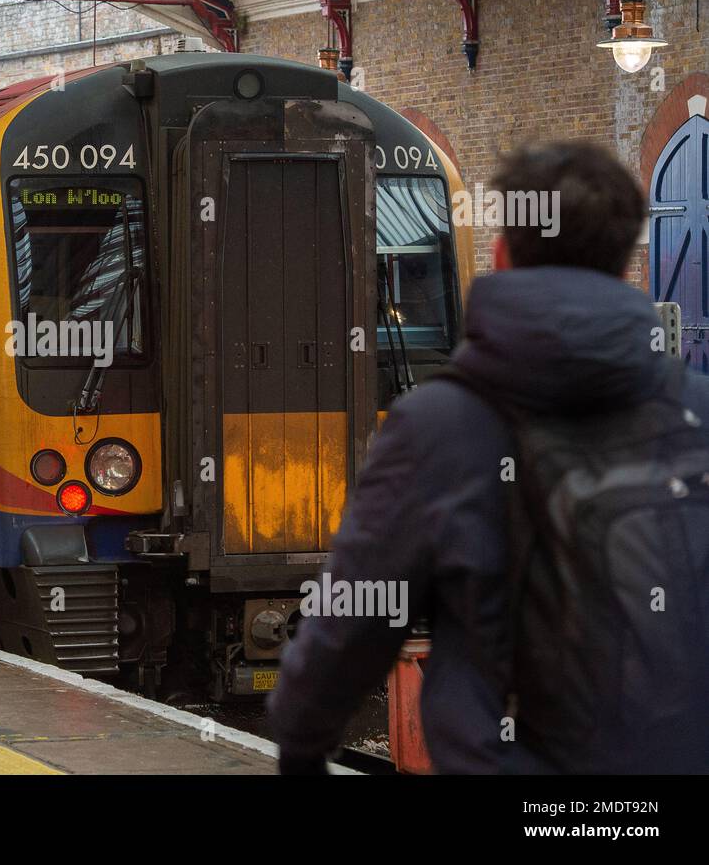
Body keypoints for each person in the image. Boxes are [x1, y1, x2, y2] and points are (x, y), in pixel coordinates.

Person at [268, 141, 709, 774]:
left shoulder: (443, 425)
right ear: (623, 266)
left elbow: (359, 614)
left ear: (501, 255)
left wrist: (301, 736)